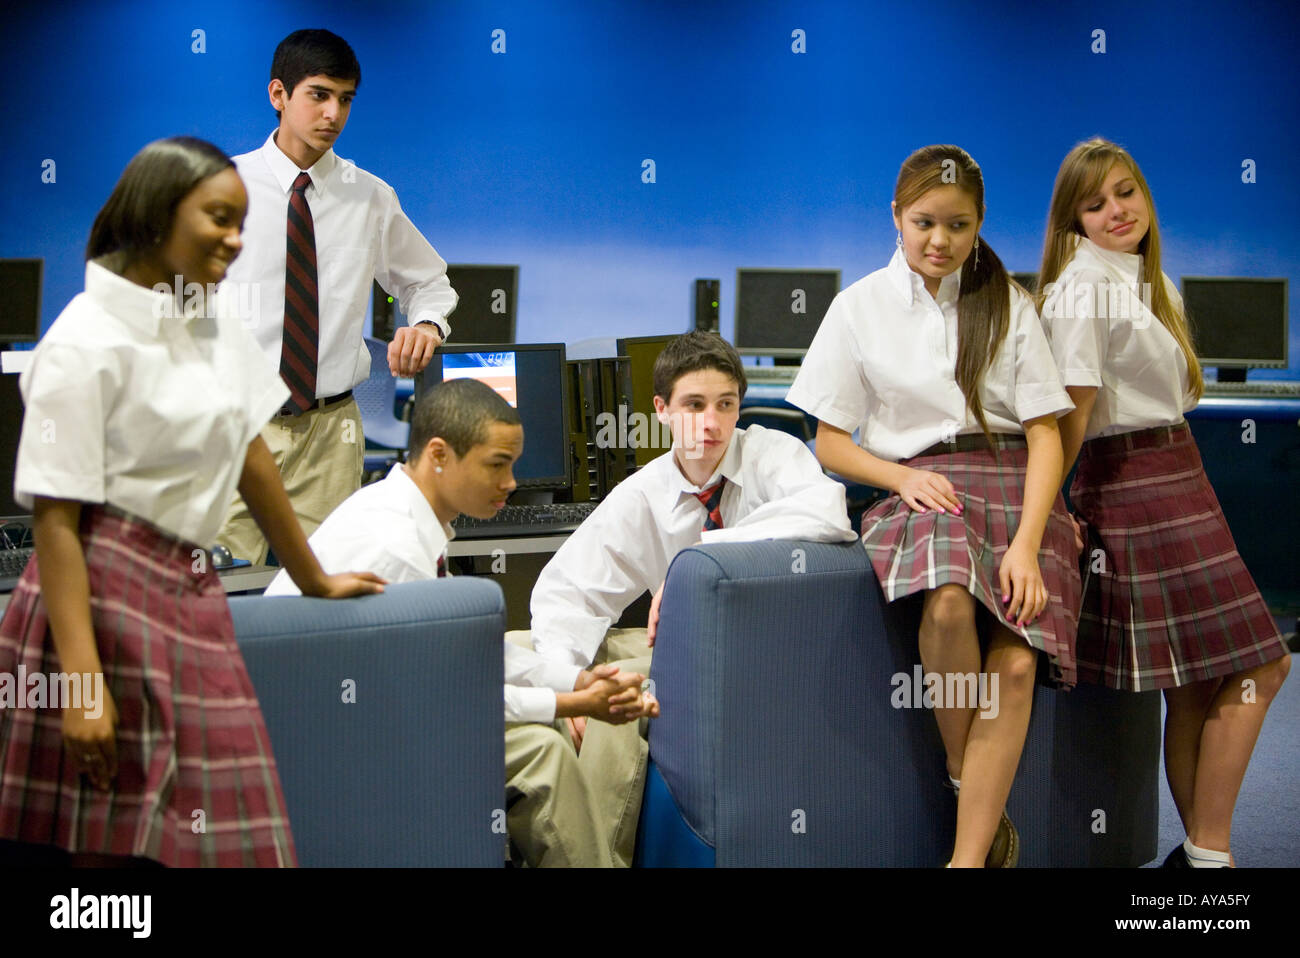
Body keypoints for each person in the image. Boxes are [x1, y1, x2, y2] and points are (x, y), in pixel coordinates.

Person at [0, 137, 385, 869]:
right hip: (96, 599)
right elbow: (57, 525)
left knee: (232, 838)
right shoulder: (84, 339)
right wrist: (82, 689)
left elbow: (249, 452)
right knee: (107, 847)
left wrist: (313, 577)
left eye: (242, 222)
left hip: (187, 593)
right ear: (155, 215)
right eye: (218, 218)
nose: (236, 241)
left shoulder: (205, 320)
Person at [786, 145, 1080, 868]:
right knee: (947, 603)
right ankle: (963, 774)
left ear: (979, 225)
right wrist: (897, 477)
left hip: (1020, 488)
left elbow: (1045, 433)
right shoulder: (858, 306)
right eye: (924, 222)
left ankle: (966, 859)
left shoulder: (1007, 299)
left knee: (1015, 668)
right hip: (921, 484)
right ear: (895, 216)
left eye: (958, 225)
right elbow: (828, 442)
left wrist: (1027, 541)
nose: (940, 240)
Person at [264, 377, 656, 866]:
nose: (510, 483)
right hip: (333, 735)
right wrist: (572, 701)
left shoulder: (405, 514)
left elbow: (471, 649)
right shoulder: (396, 548)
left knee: (533, 666)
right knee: (542, 752)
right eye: (497, 464)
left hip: (374, 701)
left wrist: (576, 678)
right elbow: (451, 695)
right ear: (439, 454)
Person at [1036, 137, 1290, 868]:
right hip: (1135, 485)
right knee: (1266, 666)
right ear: (1072, 221)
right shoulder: (1083, 289)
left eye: (1126, 192)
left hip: (1180, 472)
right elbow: (1073, 416)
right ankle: (1210, 858)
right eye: (1096, 203)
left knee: (1193, 685)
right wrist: (1040, 519)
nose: (1117, 210)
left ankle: (1202, 857)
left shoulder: (1148, 280)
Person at [523, 330, 858, 865]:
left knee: (626, 692)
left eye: (726, 405)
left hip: (763, 648)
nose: (711, 423)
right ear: (661, 410)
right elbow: (569, 590)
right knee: (524, 654)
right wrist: (569, 686)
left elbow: (827, 513)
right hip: (680, 643)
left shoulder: (771, 453)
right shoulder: (646, 491)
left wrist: (698, 560)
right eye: (694, 406)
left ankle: (593, 858)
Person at [217, 28, 457, 564]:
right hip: (237, 427)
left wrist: (426, 325)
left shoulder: (369, 195)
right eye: (319, 95)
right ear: (278, 94)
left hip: (332, 434)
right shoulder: (222, 186)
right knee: (219, 595)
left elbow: (429, 282)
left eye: (345, 99)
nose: (333, 113)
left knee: (327, 607)